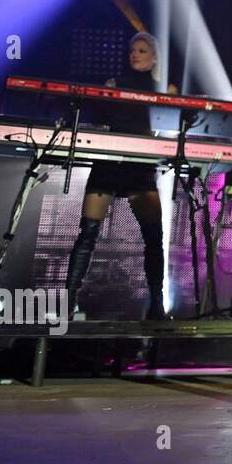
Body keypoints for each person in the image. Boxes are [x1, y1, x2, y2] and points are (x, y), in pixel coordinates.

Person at [64, 32, 176, 320]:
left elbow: (170, 120)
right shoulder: (113, 85)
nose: (134, 55)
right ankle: (68, 300)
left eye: (141, 50)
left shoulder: (163, 88)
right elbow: (97, 114)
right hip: (110, 162)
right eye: (132, 51)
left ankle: (156, 304)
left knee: (153, 236)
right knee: (88, 232)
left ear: (154, 57)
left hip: (139, 166)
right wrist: (106, 92)